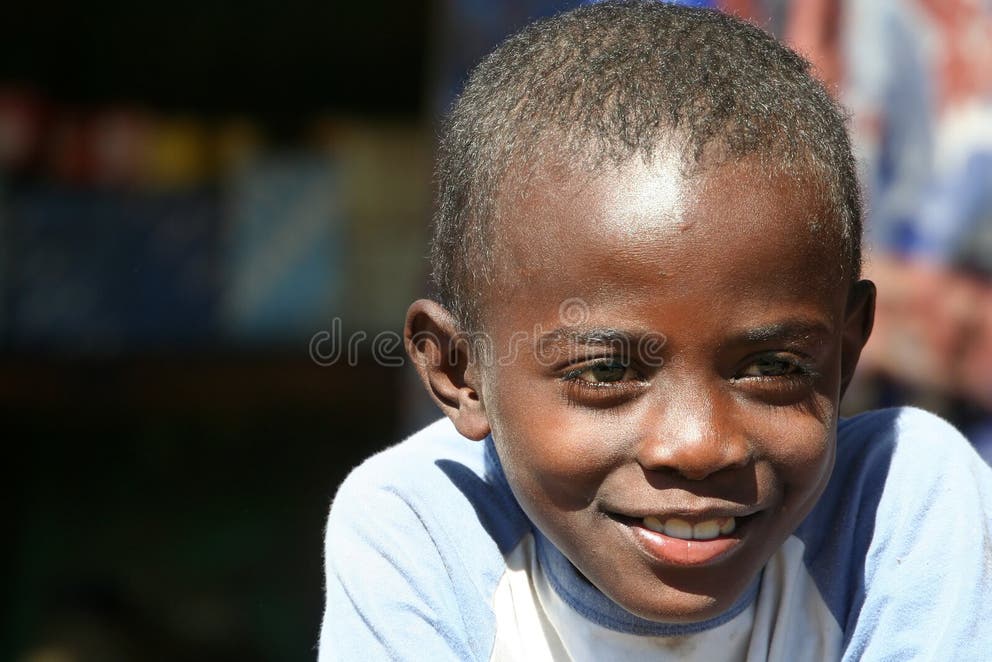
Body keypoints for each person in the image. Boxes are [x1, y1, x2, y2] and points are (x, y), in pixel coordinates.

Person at [318, 2, 992, 659]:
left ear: (845, 353)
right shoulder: (426, 527)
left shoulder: (899, 504)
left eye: (775, 365)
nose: (699, 446)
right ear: (461, 374)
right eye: (607, 372)